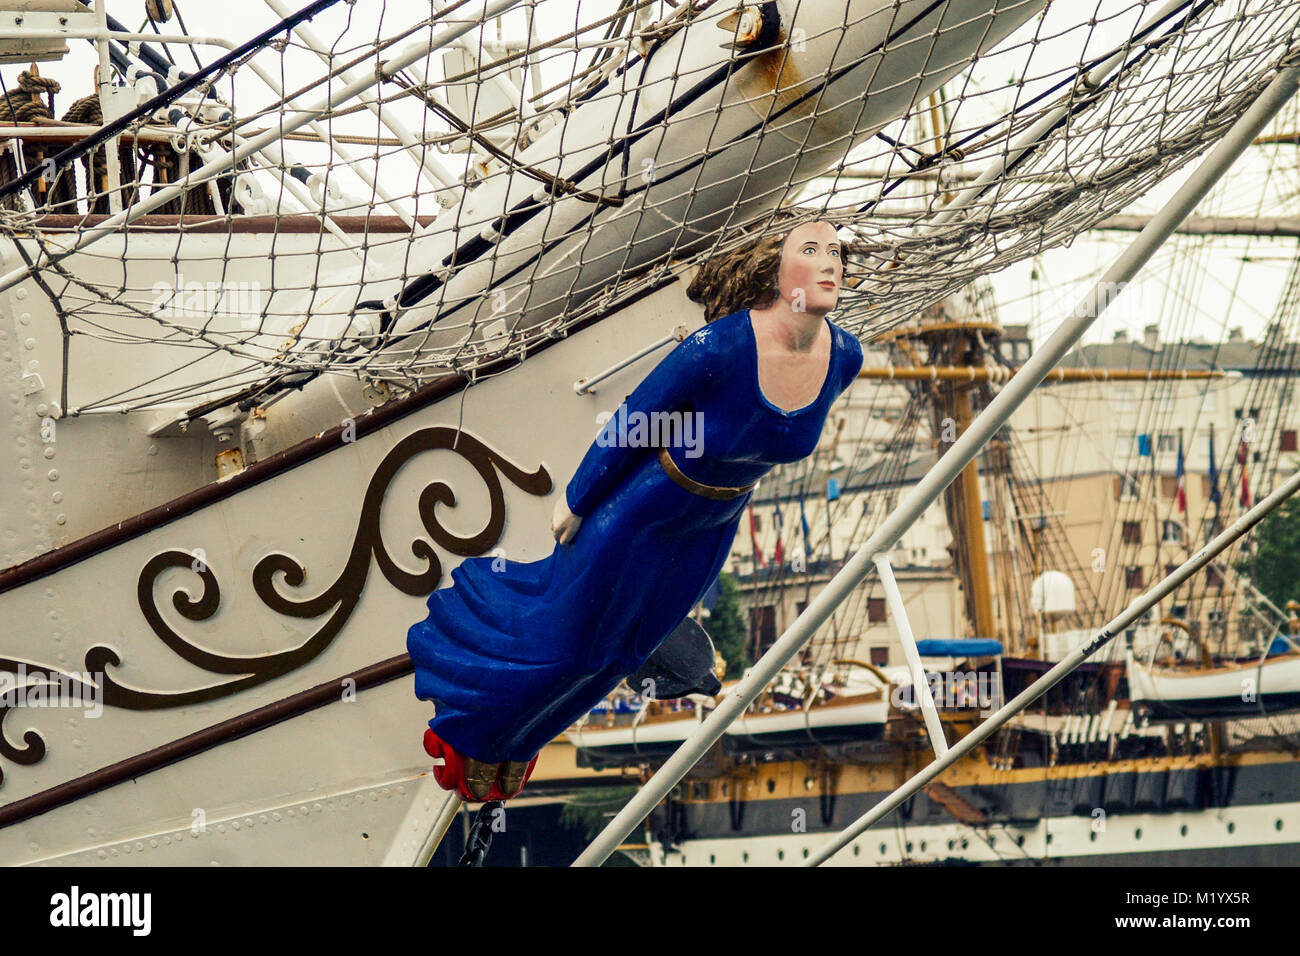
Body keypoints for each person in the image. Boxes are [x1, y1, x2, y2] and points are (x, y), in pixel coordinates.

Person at [407, 217, 865, 800]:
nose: (831, 263)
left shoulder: (843, 357)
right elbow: (638, 417)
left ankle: (520, 741)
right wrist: (580, 499)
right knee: (577, 646)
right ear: (773, 268)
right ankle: (469, 732)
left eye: (835, 251)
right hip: (642, 511)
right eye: (811, 249)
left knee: (629, 652)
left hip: (715, 523)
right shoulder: (721, 347)